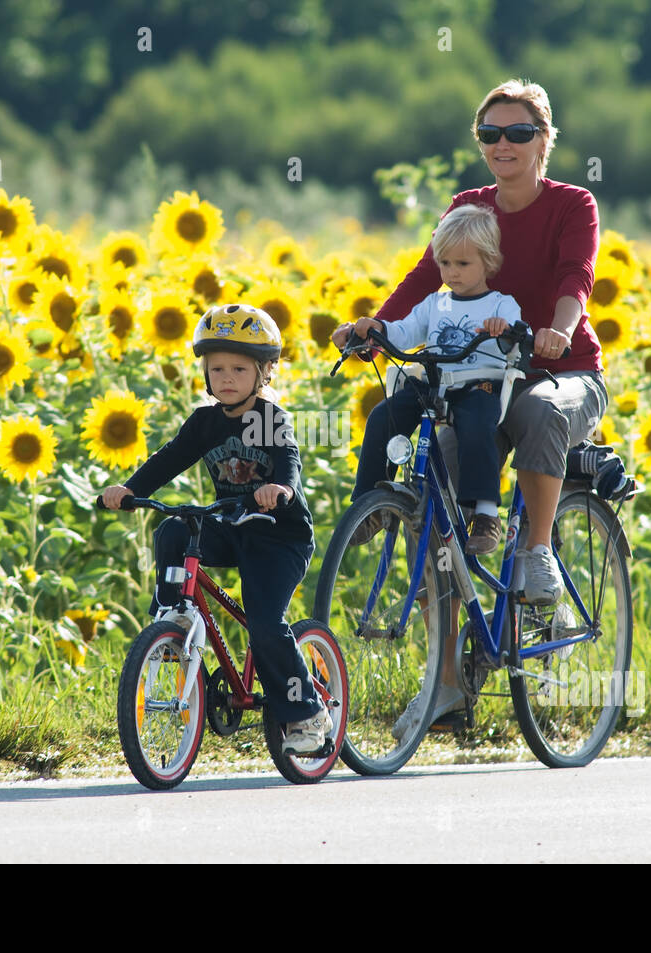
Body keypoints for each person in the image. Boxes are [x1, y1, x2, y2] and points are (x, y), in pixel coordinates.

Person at [332, 79, 608, 734]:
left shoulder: (573, 204)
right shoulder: (468, 205)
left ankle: (537, 551)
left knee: (539, 413)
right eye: (490, 134)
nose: (502, 145)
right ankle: (445, 682)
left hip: (558, 370)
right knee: (440, 483)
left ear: (544, 140)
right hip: (476, 380)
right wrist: (378, 325)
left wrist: (561, 329)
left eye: (517, 133)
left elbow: (577, 276)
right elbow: (427, 278)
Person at [99, 304, 332, 755]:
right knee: (172, 531)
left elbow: (289, 462)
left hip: (278, 536)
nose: (226, 377)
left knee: (265, 624)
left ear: (264, 372)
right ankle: (173, 616)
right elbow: (167, 460)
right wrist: (128, 489)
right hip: (232, 525)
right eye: (217, 368)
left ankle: (307, 713)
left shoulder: (271, 418)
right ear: (205, 374)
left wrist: (280, 487)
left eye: (239, 368)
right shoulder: (204, 422)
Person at [346, 203, 524, 555]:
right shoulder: (434, 304)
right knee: (383, 415)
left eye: (462, 264)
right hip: (435, 383)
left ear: (489, 261)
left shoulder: (502, 304)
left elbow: (518, 336)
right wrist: (372, 331)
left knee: (476, 425)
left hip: (479, 384)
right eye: (444, 263)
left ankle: (486, 514)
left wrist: (503, 331)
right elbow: (403, 332)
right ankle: (369, 505)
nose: (452, 272)